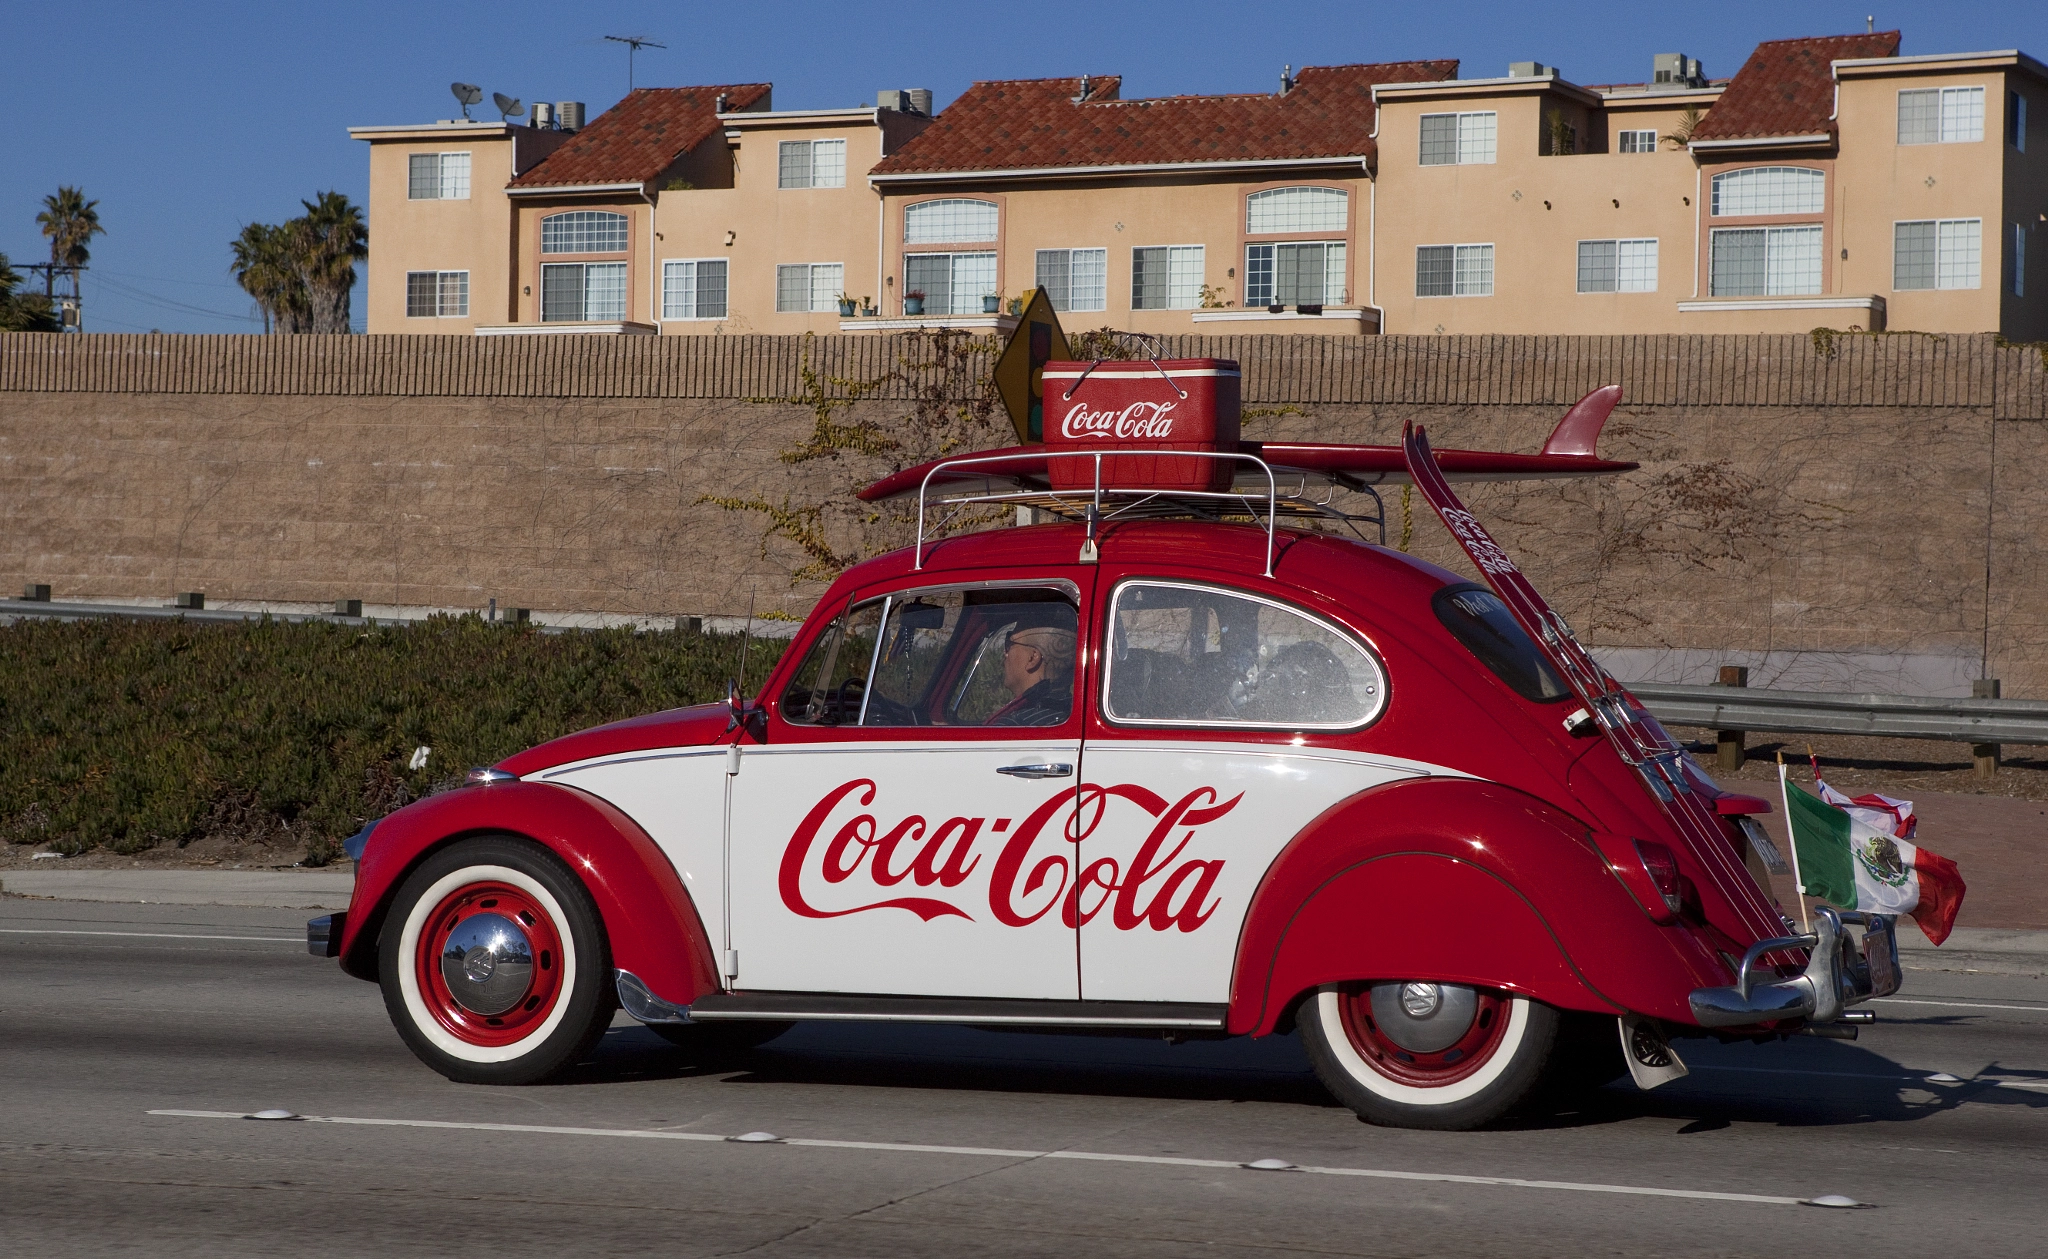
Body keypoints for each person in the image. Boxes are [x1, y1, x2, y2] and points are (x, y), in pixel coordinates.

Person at [986, 616, 1076, 726]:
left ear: (1032, 658)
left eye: (1010, 643)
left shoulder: (1012, 726)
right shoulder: (1075, 714)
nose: (1005, 653)